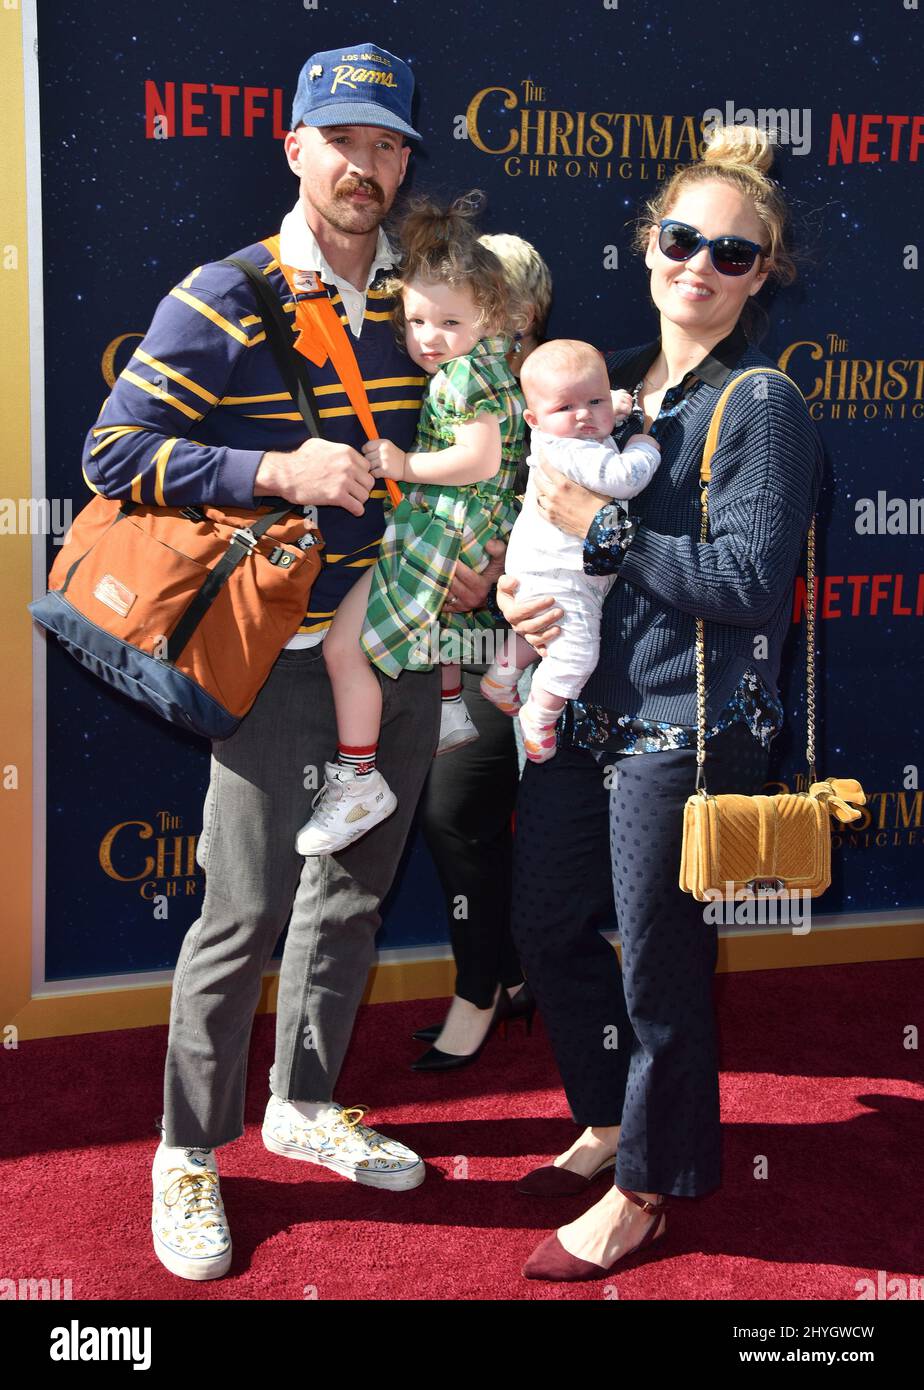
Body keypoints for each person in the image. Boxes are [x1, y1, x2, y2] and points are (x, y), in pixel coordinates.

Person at [81, 40, 467, 1282]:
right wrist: (272, 471)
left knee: (351, 896)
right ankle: (187, 1152)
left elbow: (463, 464)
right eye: (342, 140)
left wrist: (463, 560)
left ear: (407, 160)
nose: (366, 165)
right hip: (270, 659)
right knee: (241, 915)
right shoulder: (223, 293)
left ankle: (302, 1105)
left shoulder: (430, 302)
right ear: (294, 146)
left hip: (395, 647)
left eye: (388, 144)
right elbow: (110, 451)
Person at [496, 124, 824, 1280]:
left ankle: (647, 1185)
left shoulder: (762, 405)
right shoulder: (603, 381)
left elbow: (743, 584)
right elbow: (547, 535)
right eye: (683, 239)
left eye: (732, 254)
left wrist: (610, 530)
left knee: (660, 968)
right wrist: (528, 604)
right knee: (543, 927)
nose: (701, 264)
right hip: (584, 713)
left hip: (681, 734)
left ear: (762, 274)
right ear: (648, 245)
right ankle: (606, 1114)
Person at [295, 194, 526, 856]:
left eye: (449, 321)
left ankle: (361, 778)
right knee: (395, 641)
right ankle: (446, 708)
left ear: (488, 316)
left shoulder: (463, 377)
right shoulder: (484, 364)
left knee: (344, 650)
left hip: (443, 531)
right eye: (417, 320)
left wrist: (405, 463)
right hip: (455, 530)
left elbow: (478, 458)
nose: (428, 338)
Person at [411, 236, 552, 1070]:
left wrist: (499, 566)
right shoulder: (459, 384)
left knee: (455, 813)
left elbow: (584, 512)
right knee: (467, 822)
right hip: (442, 635)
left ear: (521, 310)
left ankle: (482, 989)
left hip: (524, 643)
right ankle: (503, 974)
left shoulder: (562, 395)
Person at [481, 339, 660, 761]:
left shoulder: (565, 434)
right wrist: (643, 446)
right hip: (562, 572)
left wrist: (612, 406)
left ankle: (500, 678)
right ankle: (539, 717)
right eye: (565, 408)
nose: (583, 416)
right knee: (577, 654)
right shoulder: (569, 448)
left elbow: (594, 413)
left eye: (593, 400)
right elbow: (622, 478)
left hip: (545, 568)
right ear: (534, 419)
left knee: (549, 630)